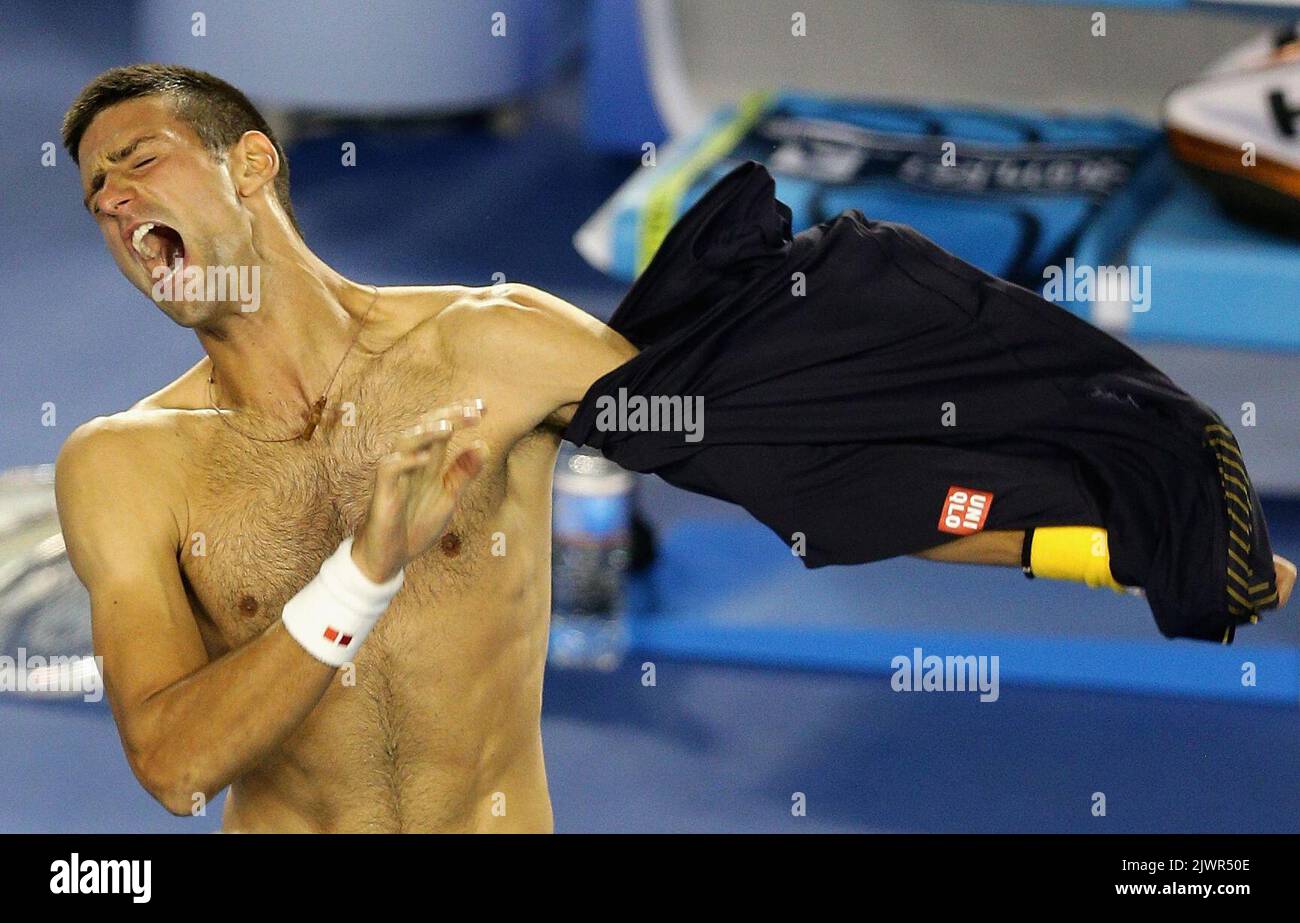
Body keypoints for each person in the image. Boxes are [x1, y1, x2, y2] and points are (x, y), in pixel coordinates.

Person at [56, 64, 1291, 833]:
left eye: (138, 160)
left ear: (253, 162)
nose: (114, 201)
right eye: (94, 194)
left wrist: (1102, 542)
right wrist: (362, 567)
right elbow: (173, 764)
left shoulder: (497, 350)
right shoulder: (123, 465)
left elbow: (804, 470)